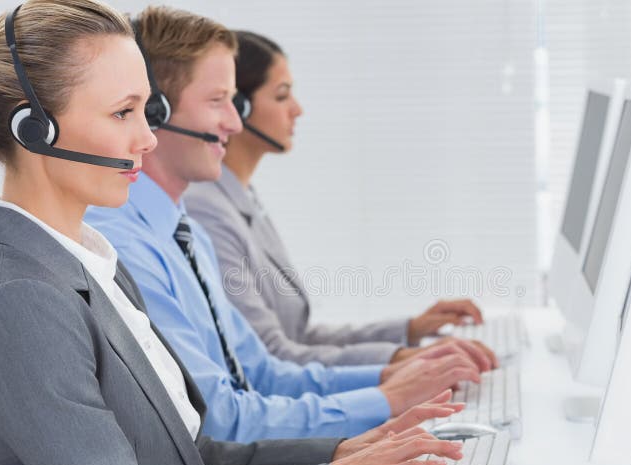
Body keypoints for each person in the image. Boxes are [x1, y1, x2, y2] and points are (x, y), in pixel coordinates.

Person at [0, 2, 465, 465]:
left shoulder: (92, 266)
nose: (149, 138)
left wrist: (347, 453)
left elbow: (192, 457)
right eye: (123, 112)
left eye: (147, 111)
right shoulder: (21, 299)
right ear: (35, 128)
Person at [85, 6, 488, 443]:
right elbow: (218, 419)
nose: (235, 123)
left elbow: (263, 372)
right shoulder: (123, 247)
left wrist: (393, 379)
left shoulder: (186, 234)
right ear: (155, 112)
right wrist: (387, 398)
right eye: (218, 101)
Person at [183, 31, 497, 368]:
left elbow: (297, 336)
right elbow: (273, 354)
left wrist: (408, 331)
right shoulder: (208, 211)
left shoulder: (242, 198)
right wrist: (404, 360)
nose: (297, 110)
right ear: (238, 107)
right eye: (282, 95)